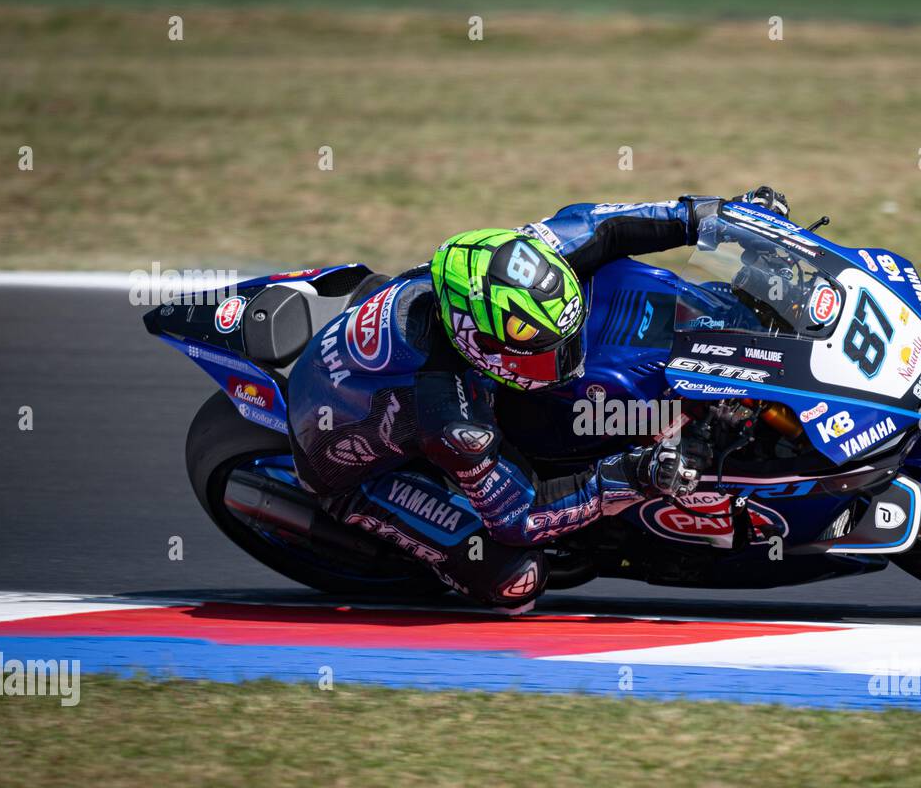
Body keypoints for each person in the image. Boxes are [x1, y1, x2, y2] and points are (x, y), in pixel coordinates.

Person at [286, 187, 790, 610]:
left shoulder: (524, 258)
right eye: (544, 351)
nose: (564, 359)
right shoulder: (453, 418)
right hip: (356, 468)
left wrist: (720, 217)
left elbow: (609, 224)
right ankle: (392, 534)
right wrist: (632, 474)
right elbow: (518, 518)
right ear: (475, 341)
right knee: (517, 582)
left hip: (392, 369)